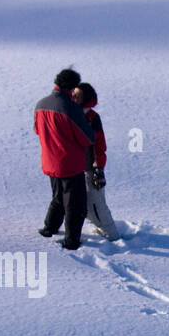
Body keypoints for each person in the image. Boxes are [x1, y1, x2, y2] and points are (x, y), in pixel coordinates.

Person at [34, 68, 95, 249]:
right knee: (74, 204)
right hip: (70, 163)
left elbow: (37, 130)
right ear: (72, 87)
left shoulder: (40, 104)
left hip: (49, 160)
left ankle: (49, 227)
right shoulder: (70, 108)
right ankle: (71, 241)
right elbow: (86, 137)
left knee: (57, 196)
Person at [73, 82, 120, 240]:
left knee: (97, 205)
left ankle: (113, 237)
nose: (74, 97)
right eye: (73, 93)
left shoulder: (92, 117)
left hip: (89, 168)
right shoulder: (69, 114)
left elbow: (100, 146)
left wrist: (98, 168)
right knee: (83, 206)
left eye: (78, 95)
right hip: (72, 169)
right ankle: (103, 231)